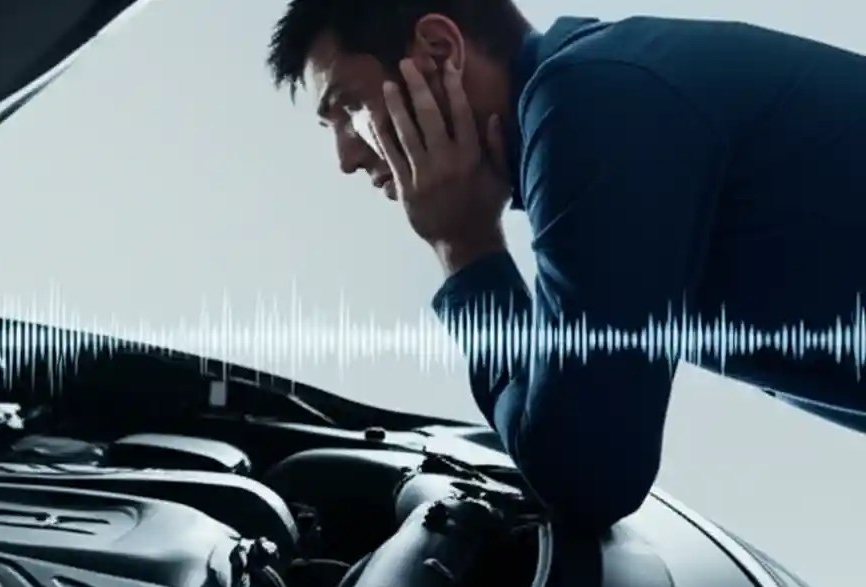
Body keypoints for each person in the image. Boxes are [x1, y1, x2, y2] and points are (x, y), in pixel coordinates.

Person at [266, 0, 866, 529]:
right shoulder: (603, 95)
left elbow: (589, 469)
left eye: (347, 108)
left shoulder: (589, 98)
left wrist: (464, 248)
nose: (345, 156)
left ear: (439, 50)